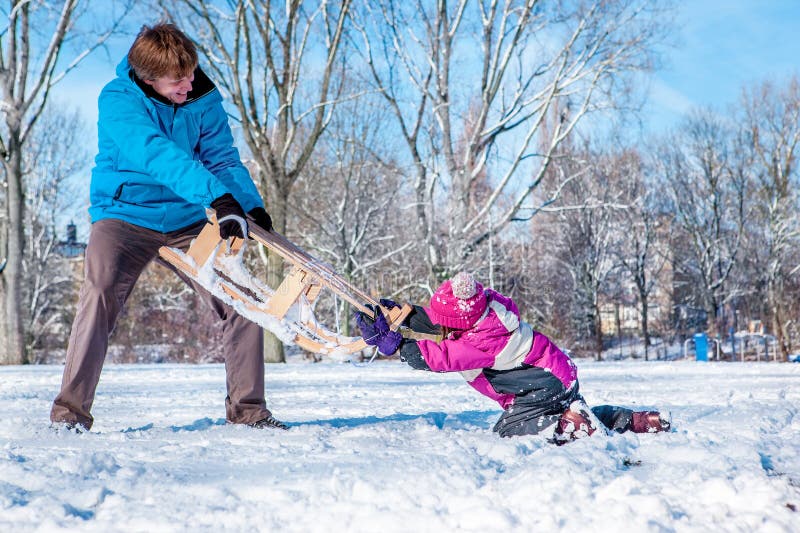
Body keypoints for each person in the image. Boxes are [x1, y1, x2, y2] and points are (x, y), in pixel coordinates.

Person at [50, 23, 285, 432]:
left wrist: (249, 205)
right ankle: (69, 416)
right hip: (124, 215)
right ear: (147, 79)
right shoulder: (118, 99)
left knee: (242, 297)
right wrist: (215, 196)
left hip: (186, 220)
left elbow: (223, 158)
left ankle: (249, 411)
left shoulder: (204, 97)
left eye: (191, 73)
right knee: (100, 291)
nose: (188, 85)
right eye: (178, 81)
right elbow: (155, 154)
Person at [356, 272, 670, 445]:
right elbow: (444, 323)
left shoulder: (481, 342)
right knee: (572, 409)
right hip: (558, 377)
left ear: (460, 322)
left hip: (541, 387)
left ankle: (571, 427)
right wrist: (407, 315)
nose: (437, 322)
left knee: (510, 431)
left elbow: (439, 357)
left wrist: (395, 345)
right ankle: (635, 421)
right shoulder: (485, 313)